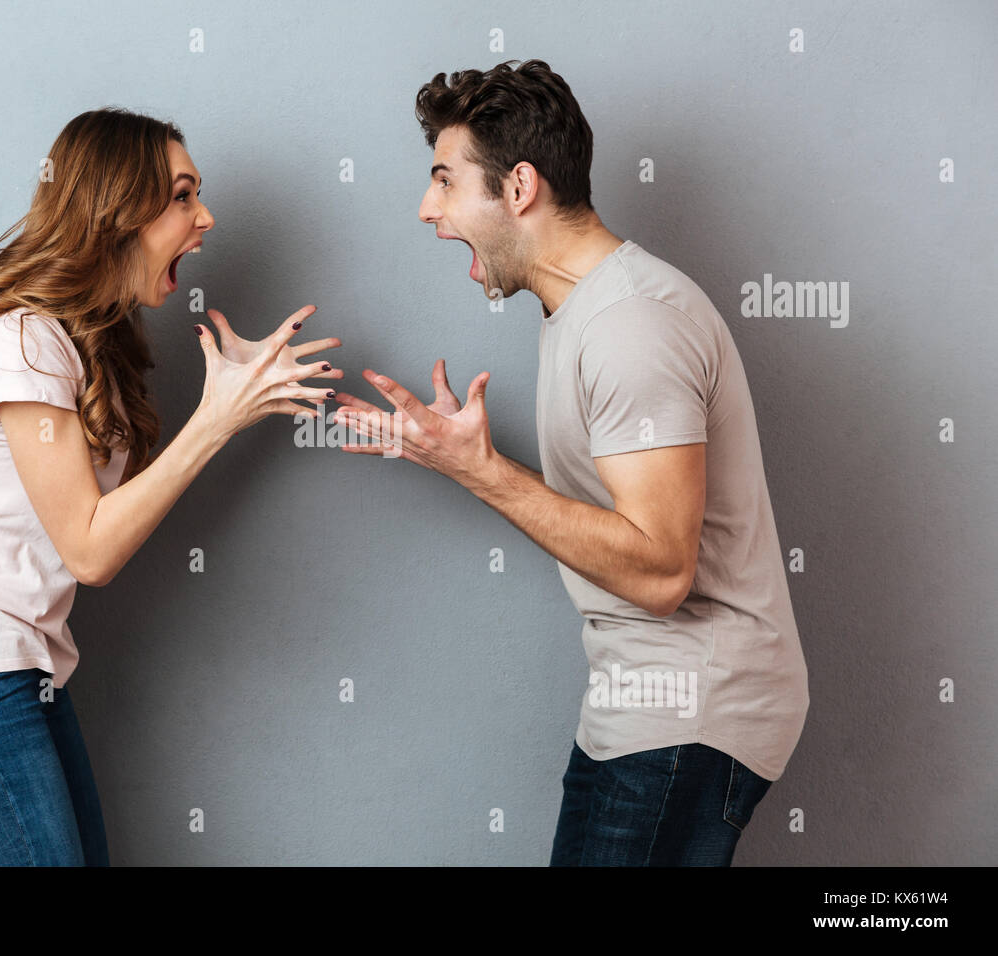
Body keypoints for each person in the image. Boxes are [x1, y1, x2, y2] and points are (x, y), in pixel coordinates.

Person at [333, 60, 809, 866]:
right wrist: (464, 459)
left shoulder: (630, 324)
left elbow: (661, 570)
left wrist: (478, 470)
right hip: (640, 703)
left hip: (690, 706)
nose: (427, 208)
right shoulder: (582, 308)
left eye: (446, 181)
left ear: (519, 188)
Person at [0, 107, 343, 865]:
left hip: (11, 676)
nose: (206, 217)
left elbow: (101, 523)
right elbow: (91, 550)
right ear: (117, 210)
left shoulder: (74, 341)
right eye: (184, 195)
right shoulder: (22, 340)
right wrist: (217, 419)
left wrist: (225, 397)